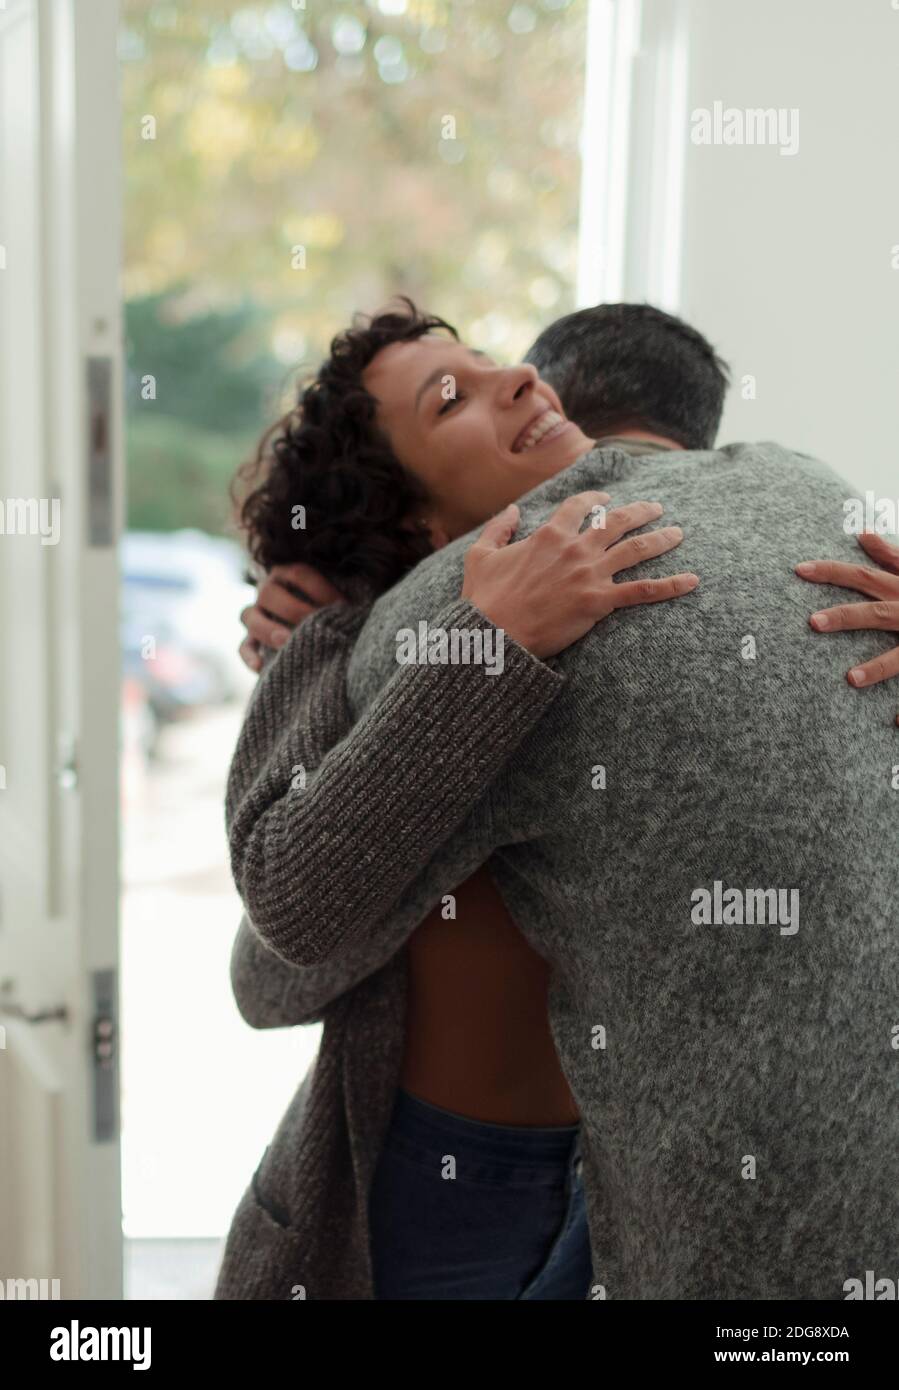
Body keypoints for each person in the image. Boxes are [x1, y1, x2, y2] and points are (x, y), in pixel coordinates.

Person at [216, 301, 899, 1301]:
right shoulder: (429, 627)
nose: (517, 385)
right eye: (452, 395)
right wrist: (342, 648)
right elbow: (275, 956)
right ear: (415, 516)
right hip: (455, 1162)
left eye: (497, 364)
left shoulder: (667, 565)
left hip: (606, 1168)